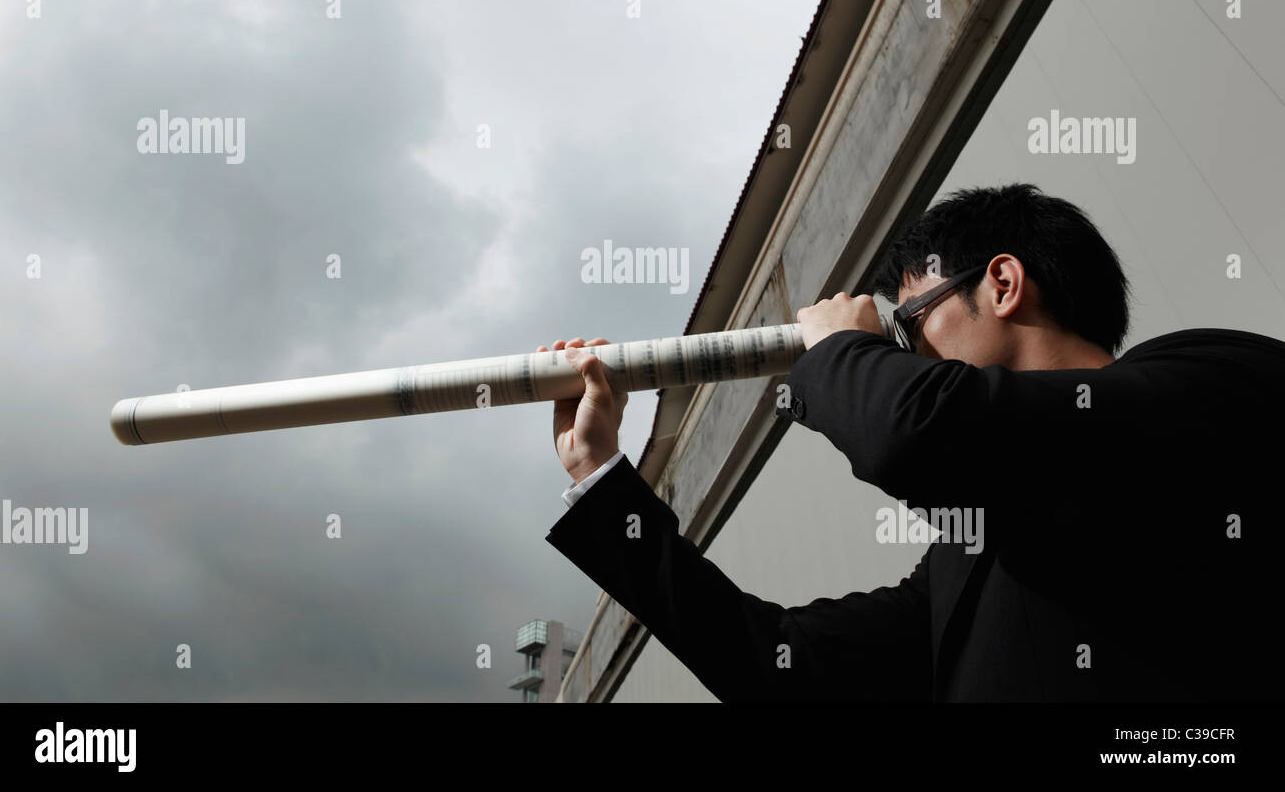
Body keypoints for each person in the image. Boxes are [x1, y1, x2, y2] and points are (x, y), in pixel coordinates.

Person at [538, 183, 1283, 701]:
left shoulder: (1216, 380)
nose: (903, 352)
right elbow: (778, 666)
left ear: (1002, 282)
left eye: (909, 321)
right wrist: (603, 479)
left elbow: (920, 430)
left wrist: (838, 351)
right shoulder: (969, 559)